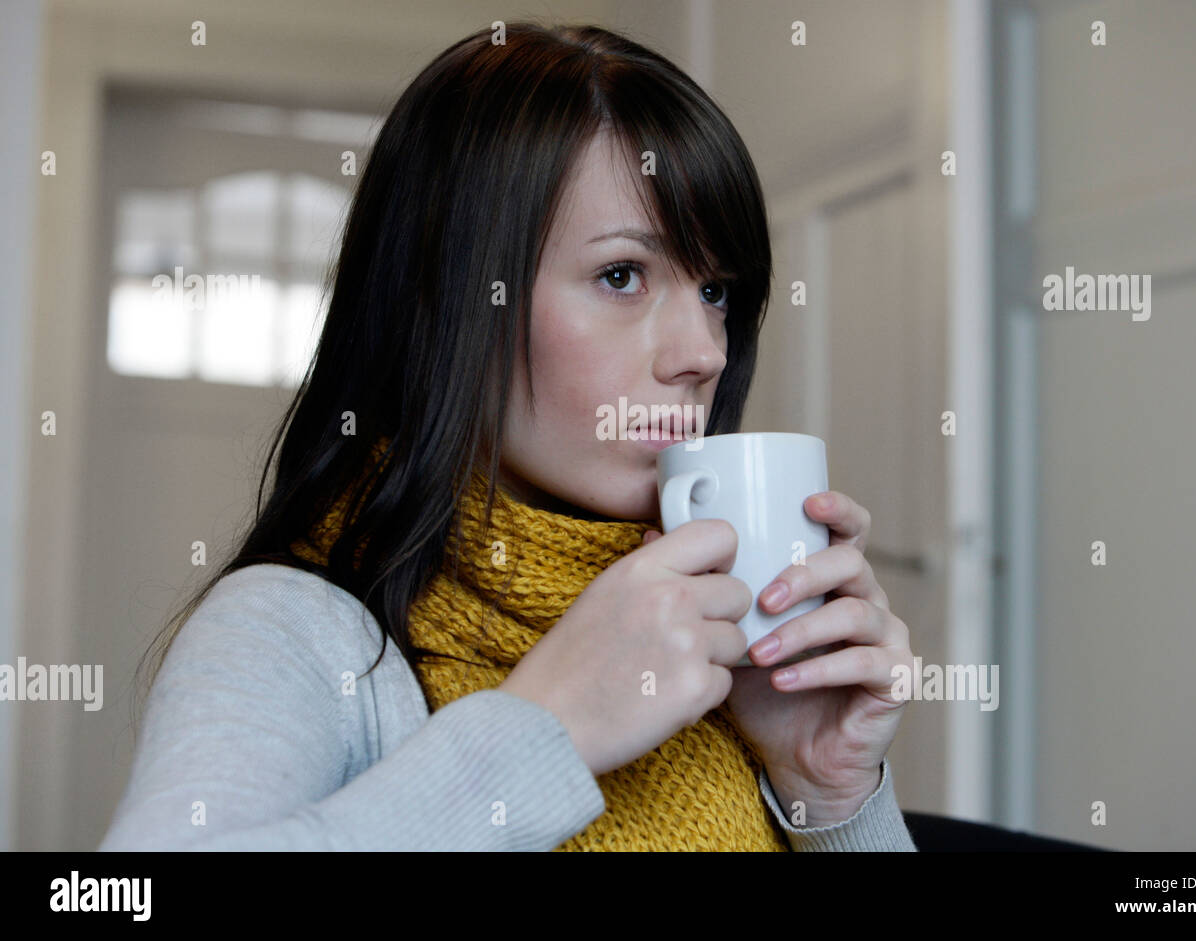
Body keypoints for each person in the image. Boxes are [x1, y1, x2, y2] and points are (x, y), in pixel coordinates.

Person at [98, 20, 918, 852]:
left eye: (714, 290)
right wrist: (545, 728)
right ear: (450, 303)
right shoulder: (291, 631)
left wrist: (827, 792)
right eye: (622, 275)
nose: (705, 353)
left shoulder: (713, 638)